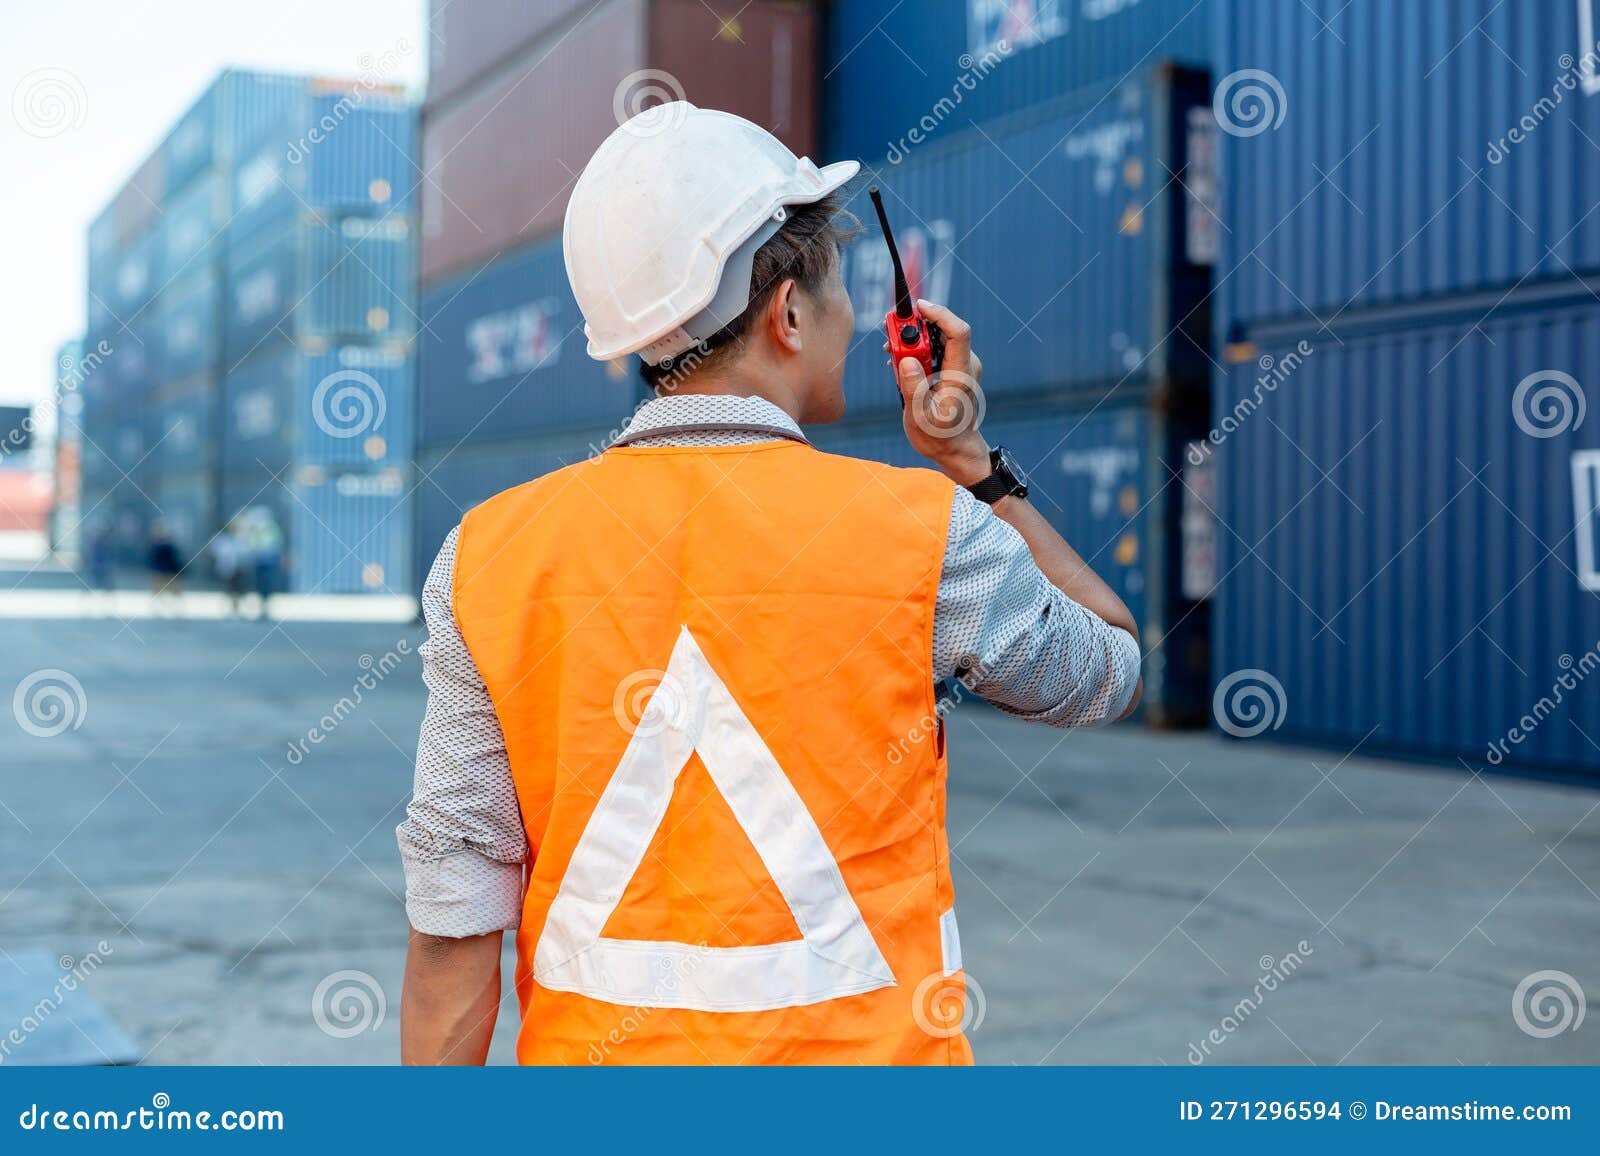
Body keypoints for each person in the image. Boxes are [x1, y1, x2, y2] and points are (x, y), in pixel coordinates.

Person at [397, 104, 1142, 1067]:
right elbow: (1109, 665)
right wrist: (973, 467)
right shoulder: (921, 529)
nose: (851, 319)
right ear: (788, 311)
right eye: (839, 291)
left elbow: (454, 912)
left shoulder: (489, 552)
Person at [211, 518, 247, 617]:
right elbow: (216, 553)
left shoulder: (239, 539)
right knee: (228, 589)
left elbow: (243, 554)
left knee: (236, 590)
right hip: (225, 570)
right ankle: (227, 609)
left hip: (237, 569)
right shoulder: (222, 539)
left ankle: (235, 609)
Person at [146, 521, 184, 611]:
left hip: (167, 570)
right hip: (162, 570)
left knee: (172, 589)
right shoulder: (160, 545)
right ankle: (159, 605)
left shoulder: (164, 545)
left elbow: (173, 558)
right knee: (159, 589)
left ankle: (176, 605)